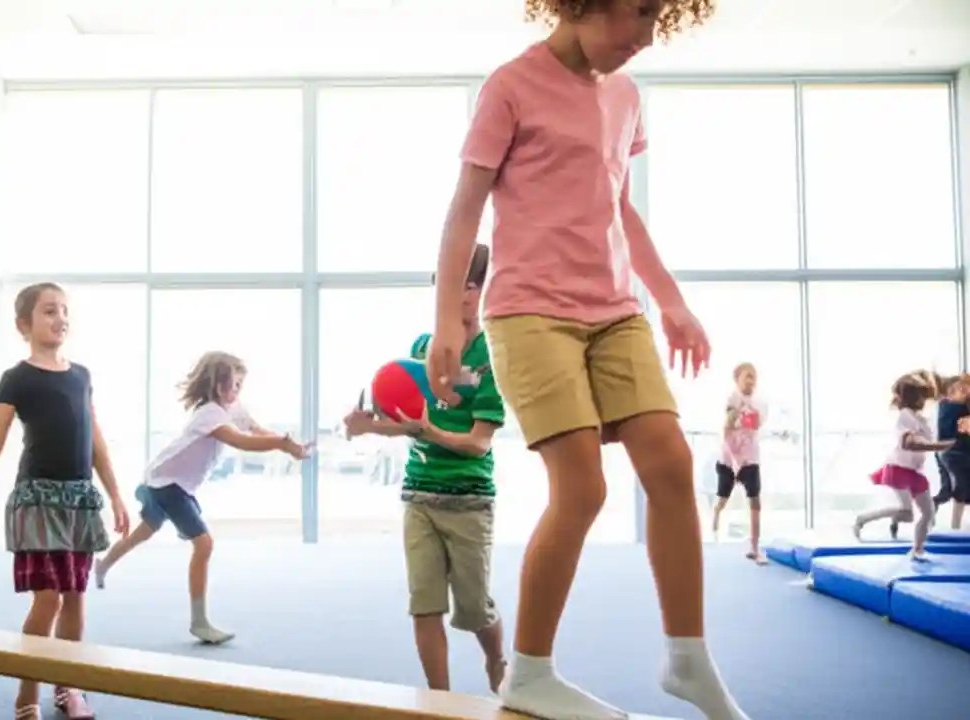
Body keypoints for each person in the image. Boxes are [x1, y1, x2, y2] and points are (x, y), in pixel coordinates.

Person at [425, 2, 749, 719]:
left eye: (659, 18)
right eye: (636, 13)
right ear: (579, 2)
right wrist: (447, 317)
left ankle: (688, 659)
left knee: (669, 465)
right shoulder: (511, 86)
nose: (645, 36)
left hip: (613, 311)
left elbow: (619, 208)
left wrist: (670, 301)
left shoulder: (627, 98)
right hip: (530, 311)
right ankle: (530, 673)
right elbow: (465, 209)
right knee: (582, 485)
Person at [0, 282, 130, 720]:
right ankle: (26, 695)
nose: (60, 318)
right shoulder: (19, 378)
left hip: (79, 500)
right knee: (47, 599)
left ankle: (68, 688)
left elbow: (96, 441)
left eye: (64, 310)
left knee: (75, 599)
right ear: (23, 325)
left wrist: (116, 494)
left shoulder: (81, 375)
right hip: (39, 500)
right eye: (49, 311)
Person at [343, 243, 508, 694]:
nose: (463, 296)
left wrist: (429, 431)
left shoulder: (493, 359)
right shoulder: (422, 348)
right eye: (454, 286)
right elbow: (409, 424)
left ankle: (497, 657)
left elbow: (477, 443)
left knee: (474, 608)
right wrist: (368, 427)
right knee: (425, 605)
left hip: (470, 499)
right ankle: (440, 701)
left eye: (472, 285)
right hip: (418, 496)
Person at [94, 351, 313, 645]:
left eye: (240, 385)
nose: (238, 391)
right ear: (217, 385)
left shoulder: (233, 408)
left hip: (166, 480)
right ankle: (199, 622)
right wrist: (283, 445)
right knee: (204, 543)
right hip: (167, 484)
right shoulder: (210, 413)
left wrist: (292, 445)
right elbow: (242, 441)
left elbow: (256, 430)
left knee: (144, 532)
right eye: (234, 384)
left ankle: (103, 564)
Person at [852, 372, 950, 561]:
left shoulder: (918, 417)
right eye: (921, 396)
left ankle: (917, 549)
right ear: (913, 398)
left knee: (925, 512)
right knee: (909, 512)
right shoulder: (905, 417)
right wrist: (942, 446)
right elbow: (909, 443)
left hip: (912, 471)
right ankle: (862, 519)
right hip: (898, 469)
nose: (924, 400)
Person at [712, 363, 768, 565]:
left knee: (755, 500)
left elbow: (756, 423)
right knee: (723, 499)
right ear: (737, 380)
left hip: (749, 458)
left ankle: (754, 548)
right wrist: (736, 415)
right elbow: (728, 421)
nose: (751, 380)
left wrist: (747, 416)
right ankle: (717, 511)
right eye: (747, 376)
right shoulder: (733, 398)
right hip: (728, 457)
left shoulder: (759, 403)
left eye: (754, 377)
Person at [933, 374, 969, 531]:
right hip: (954, 454)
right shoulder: (955, 408)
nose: (966, 392)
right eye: (961, 389)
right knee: (960, 489)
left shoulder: (947, 406)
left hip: (947, 453)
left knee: (948, 491)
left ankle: (933, 507)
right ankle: (955, 527)